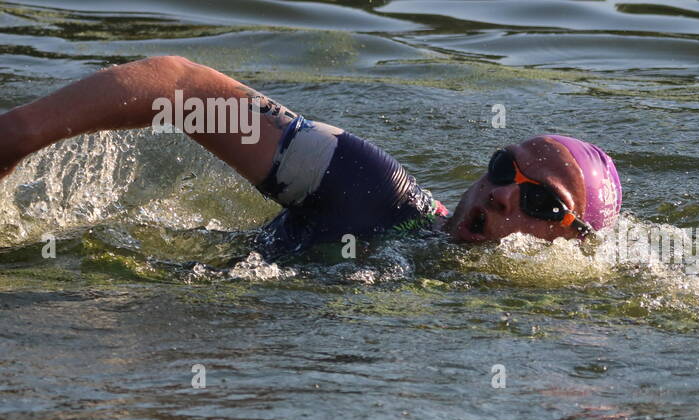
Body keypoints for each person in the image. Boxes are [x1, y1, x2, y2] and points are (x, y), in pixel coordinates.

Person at [0, 56, 621, 258]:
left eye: (541, 201)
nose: (504, 194)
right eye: (503, 169)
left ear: (575, 244)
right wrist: (20, 133)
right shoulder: (369, 189)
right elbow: (180, 88)